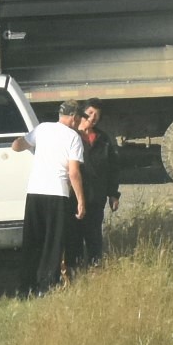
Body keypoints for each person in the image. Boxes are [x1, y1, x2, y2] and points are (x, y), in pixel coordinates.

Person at [11, 102, 87, 293]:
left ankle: (26, 286)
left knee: (32, 241)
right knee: (53, 242)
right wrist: (80, 200)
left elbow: (17, 146)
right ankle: (46, 286)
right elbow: (74, 173)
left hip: (35, 192)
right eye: (78, 118)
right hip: (57, 194)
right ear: (73, 117)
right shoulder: (73, 138)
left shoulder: (42, 129)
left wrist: (20, 142)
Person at [70, 103, 121, 271]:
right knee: (74, 234)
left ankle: (95, 267)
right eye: (90, 113)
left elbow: (113, 168)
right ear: (82, 113)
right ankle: (75, 269)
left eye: (97, 115)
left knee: (94, 234)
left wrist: (113, 194)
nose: (93, 117)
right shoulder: (71, 136)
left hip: (96, 196)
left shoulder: (103, 138)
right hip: (74, 195)